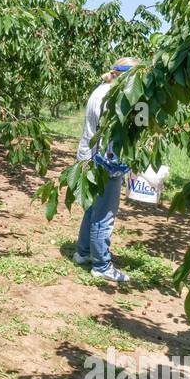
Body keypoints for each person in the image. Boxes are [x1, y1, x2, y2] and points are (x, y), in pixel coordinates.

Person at [74, 57, 139, 282]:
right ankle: (101, 265)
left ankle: (82, 252)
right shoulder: (117, 99)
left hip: (87, 159)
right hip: (105, 164)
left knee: (92, 209)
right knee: (105, 214)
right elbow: (135, 127)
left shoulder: (101, 89)